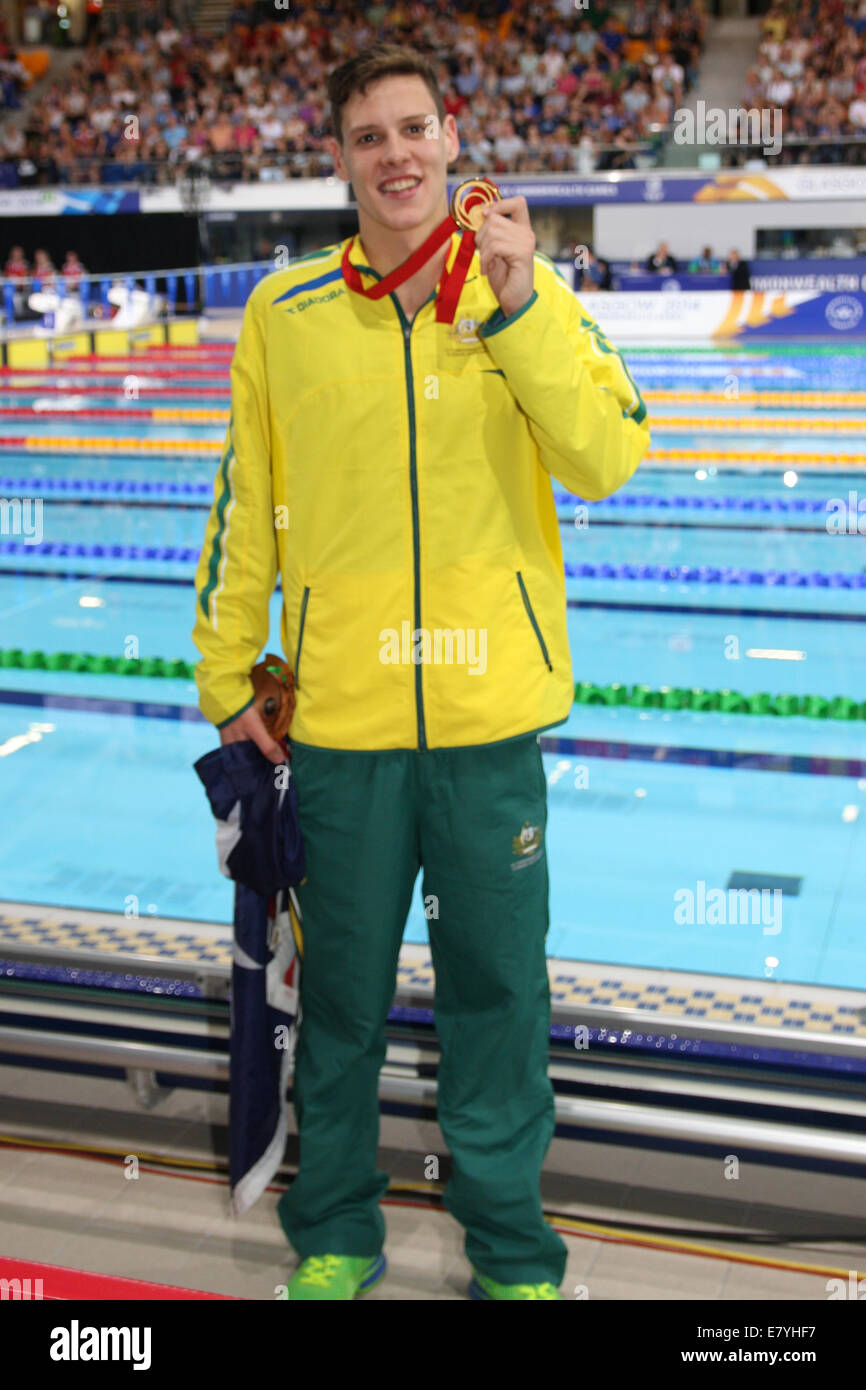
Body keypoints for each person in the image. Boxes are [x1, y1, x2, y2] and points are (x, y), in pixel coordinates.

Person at [192, 41, 650, 1303]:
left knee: (498, 996)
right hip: (340, 729)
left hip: (488, 723)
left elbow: (609, 453)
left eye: (413, 128)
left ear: (449, 138)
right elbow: (244, 512)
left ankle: (510, 1252)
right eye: (367, 136)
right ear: (337, 159)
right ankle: (334, 1232)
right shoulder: (282, 318)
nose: (394, 154)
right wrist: (228, 675)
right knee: (337, 1001)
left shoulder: (520, 290)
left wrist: (519, 307)